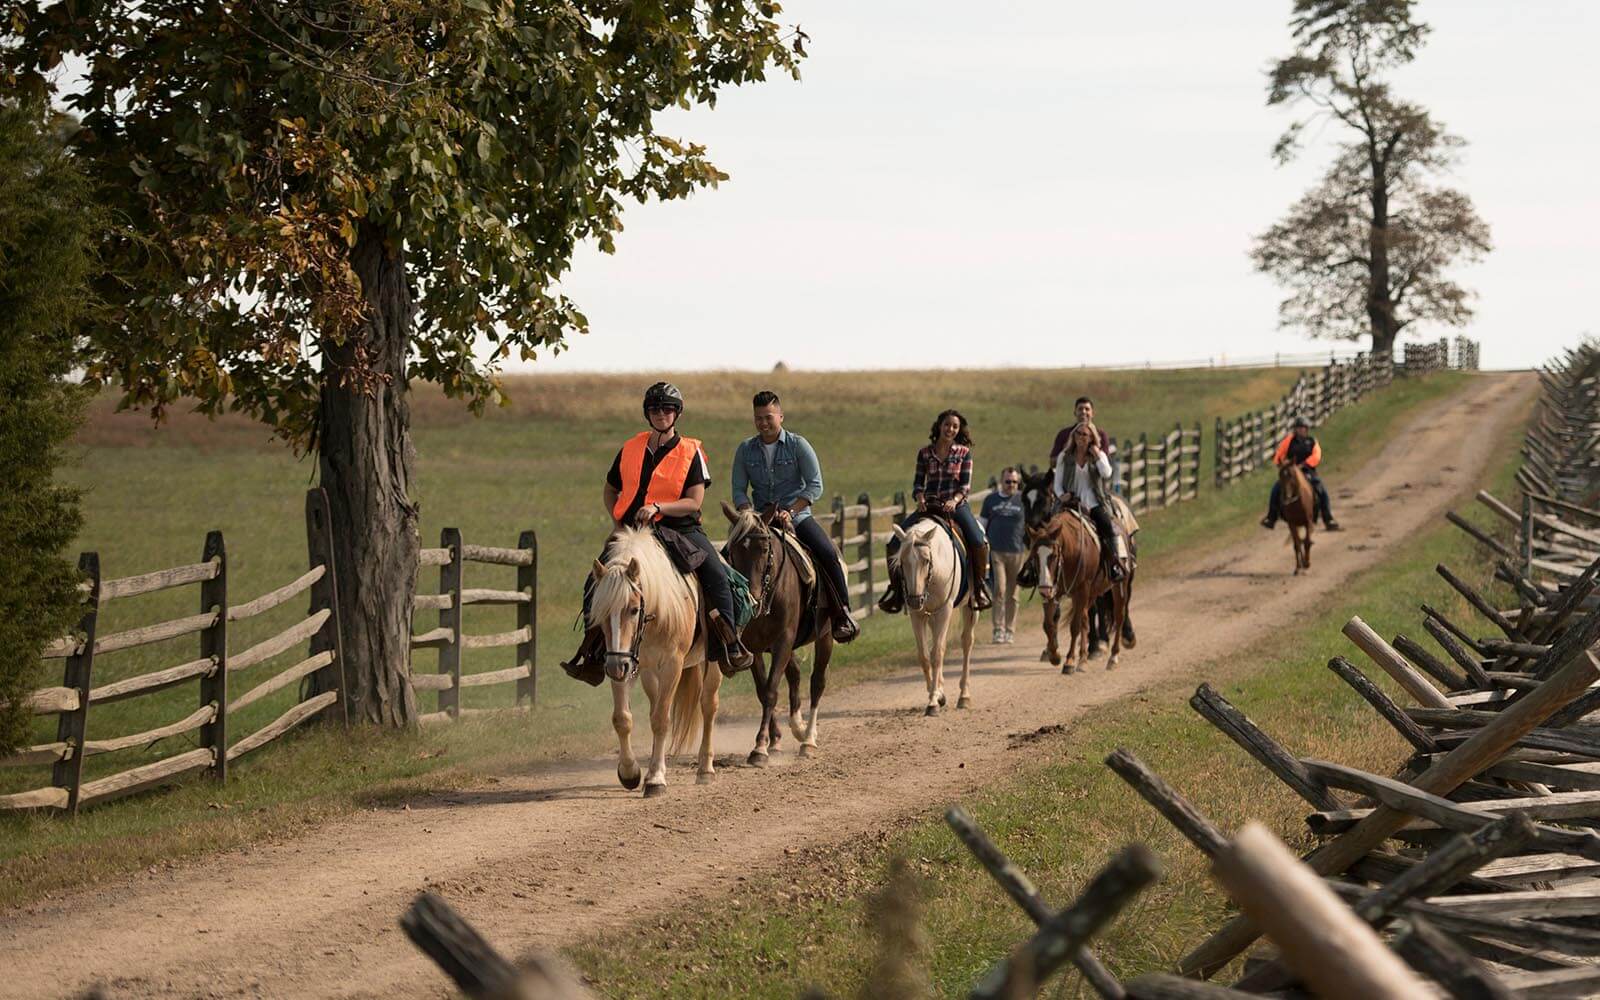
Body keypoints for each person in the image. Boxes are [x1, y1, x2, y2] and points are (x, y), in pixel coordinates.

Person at [561, 382, 754, 683]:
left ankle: (730, 644)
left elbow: (694, 501)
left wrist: (657, 506)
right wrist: (617, 521)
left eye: (667, 409)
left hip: (681, 528)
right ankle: (592, 651)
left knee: (716, 574)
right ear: (647, 414)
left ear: (676, 413)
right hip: (634, 531)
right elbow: (611, 488)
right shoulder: (630, 447)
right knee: (594, 583)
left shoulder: (691, 451)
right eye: (655, 409)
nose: (661, 414)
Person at [732, 390, 859, 643]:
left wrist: (790, 510)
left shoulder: (798, 445)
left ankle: (842, 614)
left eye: (768, 417)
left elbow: (815, 485)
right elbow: (738, 488)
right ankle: (729, 623)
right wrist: (747, 512)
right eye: (758, 418)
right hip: (759, 521)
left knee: (828, 554)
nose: (763, 423)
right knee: (729, 556)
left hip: (797, 517)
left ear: (781, 416)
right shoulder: (745, 449)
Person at [877, 409, 992, 614]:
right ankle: (896, 591)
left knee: (977, 539)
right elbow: (918, 483)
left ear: (959, 430)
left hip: (955, 507)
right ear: (940, 426)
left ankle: (980, 588)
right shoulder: (925, 453)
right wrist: (920, 497)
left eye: (955, 426)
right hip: (929, 506)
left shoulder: (964, 454)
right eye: (947, 425)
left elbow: (965, 487)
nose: (951, 429)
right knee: (894, 542)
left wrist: (954, 501)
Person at [1052, 421, 1128, 582]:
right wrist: (1061, 496)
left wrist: (1097, 455)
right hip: (1070, 503)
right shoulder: (1064, 457)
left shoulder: (1098, 455)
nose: (1081, 437)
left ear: (1091, 438)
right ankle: (1038, 568)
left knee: (1107, 527)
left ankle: (1114, 564)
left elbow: (1107, 473)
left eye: (1085, 435)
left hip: (1093, 503)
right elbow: (1057, 483)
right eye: (1078, 434)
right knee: (1048, 528)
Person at [1261, 415, 1341, 531]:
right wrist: (1284, 464)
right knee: (1276, 489)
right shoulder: (1289, 441)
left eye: (1304, 428)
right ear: (1296, 429)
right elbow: (1279, 454)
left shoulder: (1312, 441)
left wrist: (1304, 465)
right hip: (1290, 473)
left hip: (1307, 472)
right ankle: (1271, 518)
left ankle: (1327, 518)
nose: (1302, 430)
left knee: (1321, 490)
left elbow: (1316, 456)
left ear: (1307, 429)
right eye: (1299, 428)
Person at [979, 467, 1028, 643]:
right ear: (1002, 481)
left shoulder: (1023, 500)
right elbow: (982, 524)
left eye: (1014, 482)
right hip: (996, 552)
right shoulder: (991, 500)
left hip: (1018, 552)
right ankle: (998, 629)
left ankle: (1010, 630)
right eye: (1008, 481)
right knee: (999, 590)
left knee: (1013, 594)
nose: (1011, 485)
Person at [1049, 397, 1118, 488]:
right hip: (1068, 485)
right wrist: (1066, 452)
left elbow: (1106, 467)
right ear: (1075, 413)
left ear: (1093, 413)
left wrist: (1096, 454)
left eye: (1087, 409)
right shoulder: (1064, 434)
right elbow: (1052, 463)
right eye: (1080, 409)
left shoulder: (1101, 435)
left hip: (1094, 486)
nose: (1083, 412)